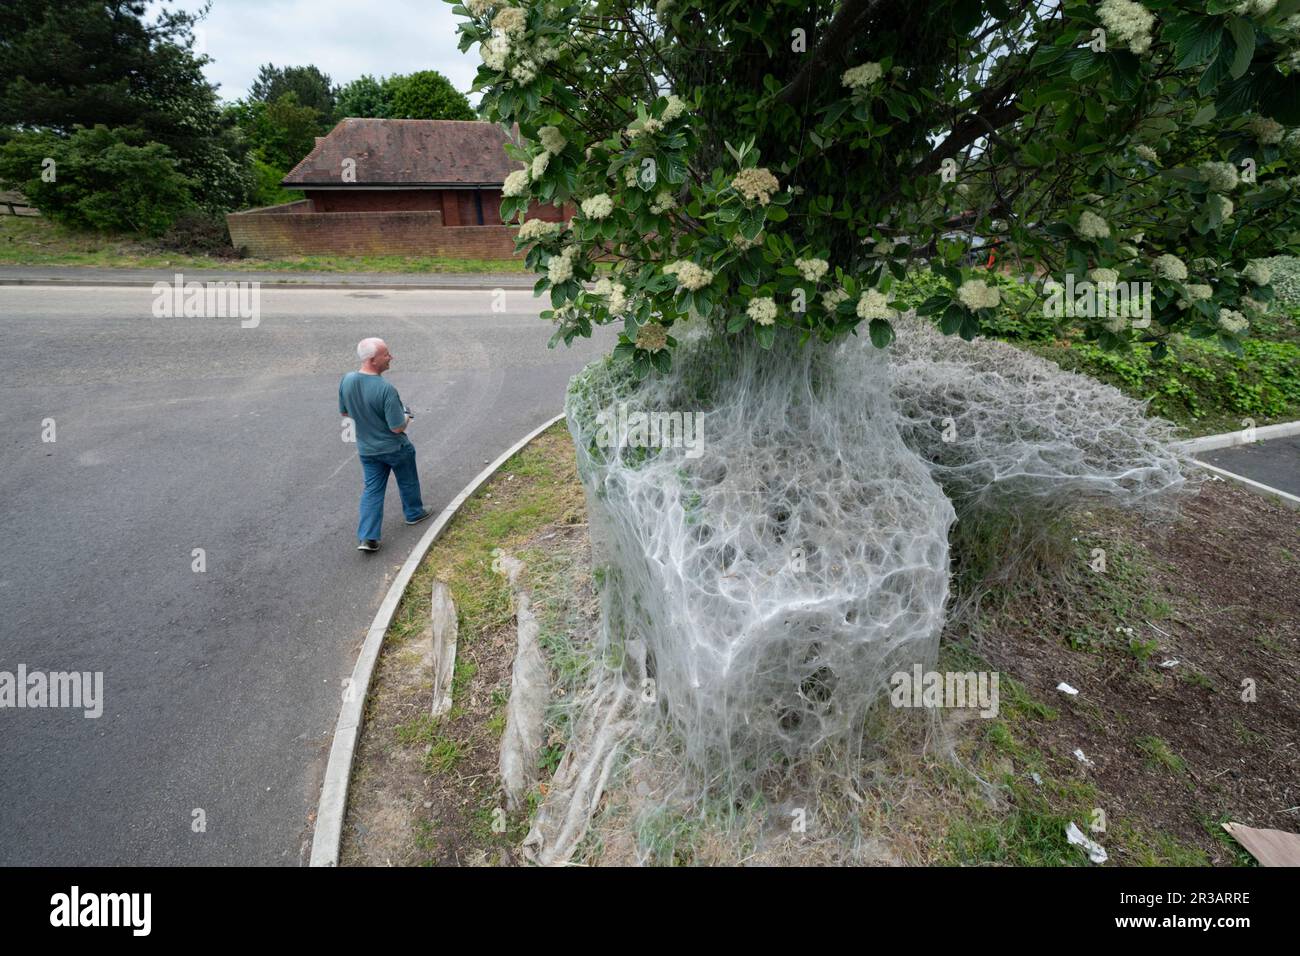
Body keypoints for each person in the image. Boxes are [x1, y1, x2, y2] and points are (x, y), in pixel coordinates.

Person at [339, 337, 433, 552]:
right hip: (395, 448)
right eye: (386, 354)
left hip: (367, 450)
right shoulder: (385, 389)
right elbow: (397, 428)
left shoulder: (347, 380)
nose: (391, 357)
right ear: (373, 360)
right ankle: (414, 513)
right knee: (407, 480)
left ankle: (368, 538)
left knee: (372, 490)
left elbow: (345, 412)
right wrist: (407, 414)